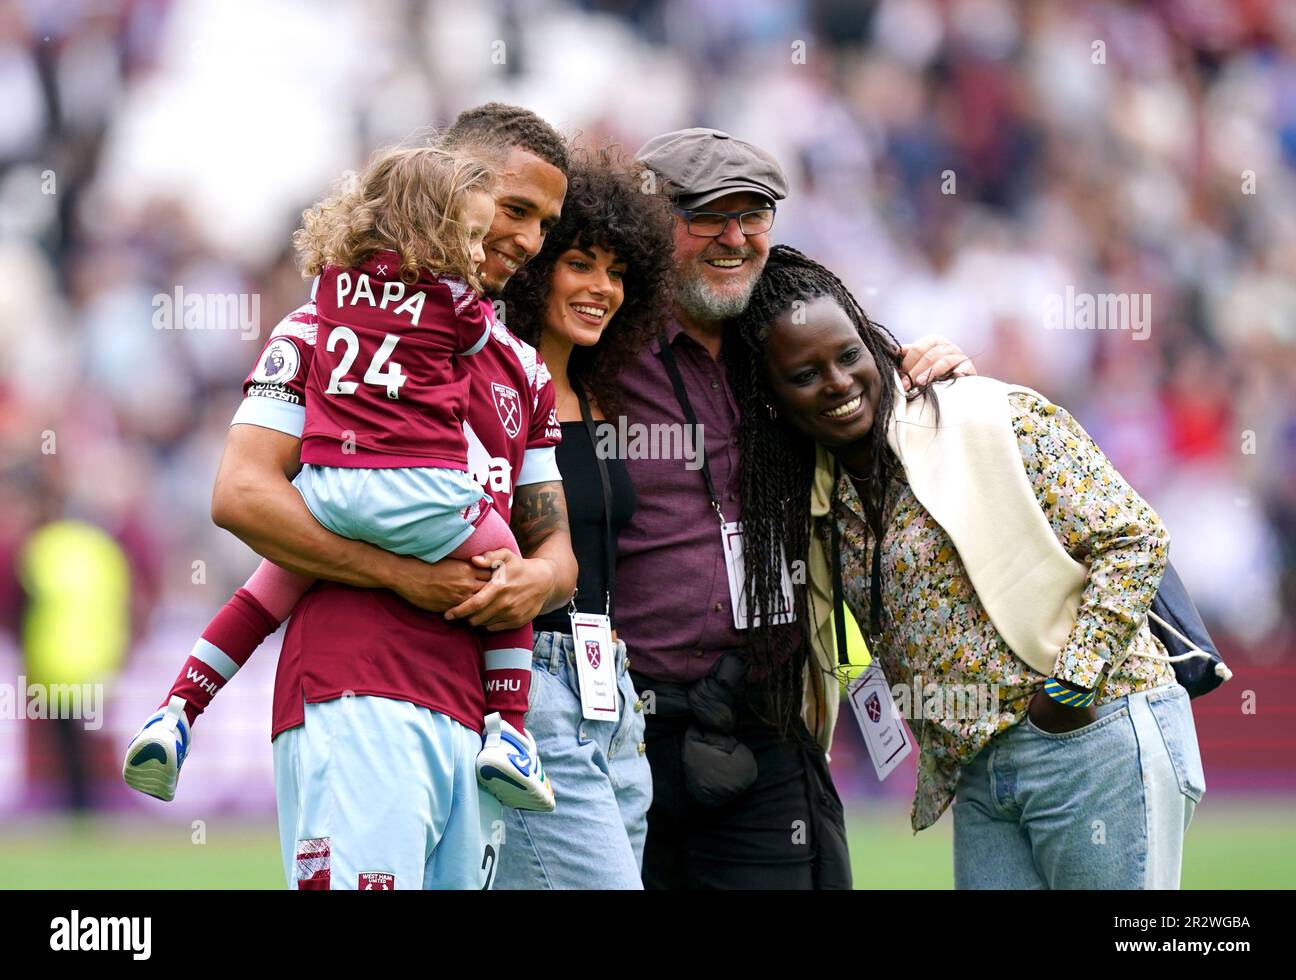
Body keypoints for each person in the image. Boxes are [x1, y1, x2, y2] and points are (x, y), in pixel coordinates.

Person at [124, 103, 576, 890]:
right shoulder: (311, 331)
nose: (528, 241)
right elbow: (240, 495)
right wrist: (398, 573)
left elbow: (556, 553)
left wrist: (536, 582)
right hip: (355, 686)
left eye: (545, 223)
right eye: (512, 211)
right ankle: (175, 714)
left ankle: (178, 709)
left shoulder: (525, 372)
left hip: (465, 713)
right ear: (451, 195)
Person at [728, 245, 1205, 889]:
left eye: (848, 355)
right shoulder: (819, 496)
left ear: (874, 346)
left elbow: (1135, 540)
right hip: (976, 772)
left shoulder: (984, 412)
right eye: (805, 374)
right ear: (773, 399)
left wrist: (1069, 692)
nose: (838, 382)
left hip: (1092, 737)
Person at [620, 128, 975, 889]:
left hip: (765, 716)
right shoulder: (598, 342)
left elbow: (871, 394)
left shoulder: (785, 333)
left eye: (755, 215)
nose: (737, 236)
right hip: (625, 728)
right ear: (651, 222)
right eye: (710, 214)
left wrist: (938, 372)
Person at [492, 149, 674, 888]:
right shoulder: (491, 384)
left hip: (614, 697)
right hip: (527, 685)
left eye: (619, 272)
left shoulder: (598, 395)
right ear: (535, 267)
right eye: (580, 263)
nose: (603, 288)